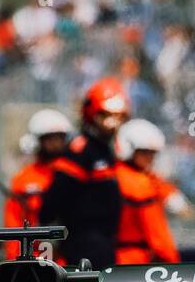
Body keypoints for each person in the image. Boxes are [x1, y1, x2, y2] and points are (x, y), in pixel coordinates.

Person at [38, 77, 128, 269]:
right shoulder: (80, 151)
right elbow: (54, 198)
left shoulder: (105, 150)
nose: (112, 123)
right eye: (105, 115)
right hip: (84, 245)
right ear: (91, 115)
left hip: (106, 242)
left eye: (118, 116)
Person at [114, 119, 193, 265]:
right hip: (131, 259)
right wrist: (171, 262)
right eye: (144, 152)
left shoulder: (143, 177)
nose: (150, 157)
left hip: (126, 257)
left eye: (152, 153)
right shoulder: (134, 181)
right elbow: (156, 231)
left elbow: (182, 207)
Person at [2, 109, 71, 259]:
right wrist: (16, 259)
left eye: (59, 138)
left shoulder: (72, 174)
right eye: (49, 139)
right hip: (34, 256)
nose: (55, 144)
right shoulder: (23, 179)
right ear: (37, 141)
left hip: (68, 256)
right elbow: (14, 221)